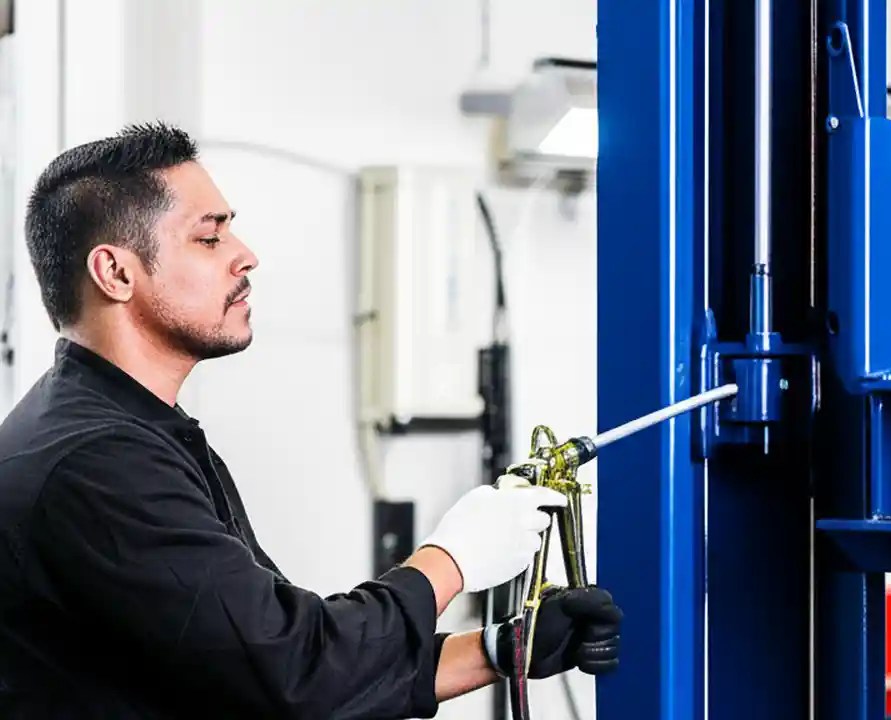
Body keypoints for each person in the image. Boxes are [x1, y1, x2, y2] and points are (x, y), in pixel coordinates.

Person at [0, 123, 622, 718]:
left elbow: (278, 662)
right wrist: (452, 558)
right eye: (210, 237)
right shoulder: (95, 462)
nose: (246, 257)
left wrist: (501, 648)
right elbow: (296, 674)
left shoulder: (136, 432)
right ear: (116, 272)